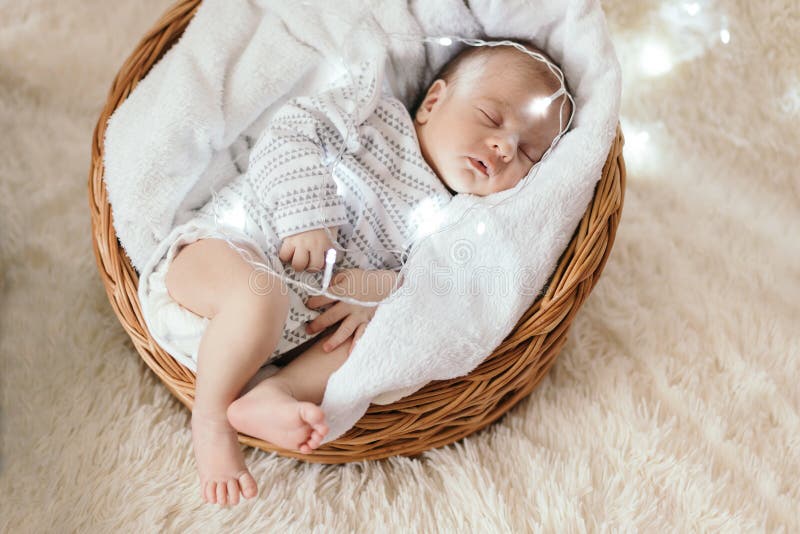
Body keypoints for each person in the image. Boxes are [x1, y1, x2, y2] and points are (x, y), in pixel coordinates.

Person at [154, 39, 572, 506]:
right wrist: (307, 215)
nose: (503, 146)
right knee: (259, 294)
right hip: (214, 262)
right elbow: (290, 134)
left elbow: (435, 292)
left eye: (528, 154)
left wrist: (378, 289)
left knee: (377, 336)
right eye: (492, 118)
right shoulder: (374, 119)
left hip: (267, 349)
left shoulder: (460, 220)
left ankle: (275, 393)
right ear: (433, 103)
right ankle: (211, 422)